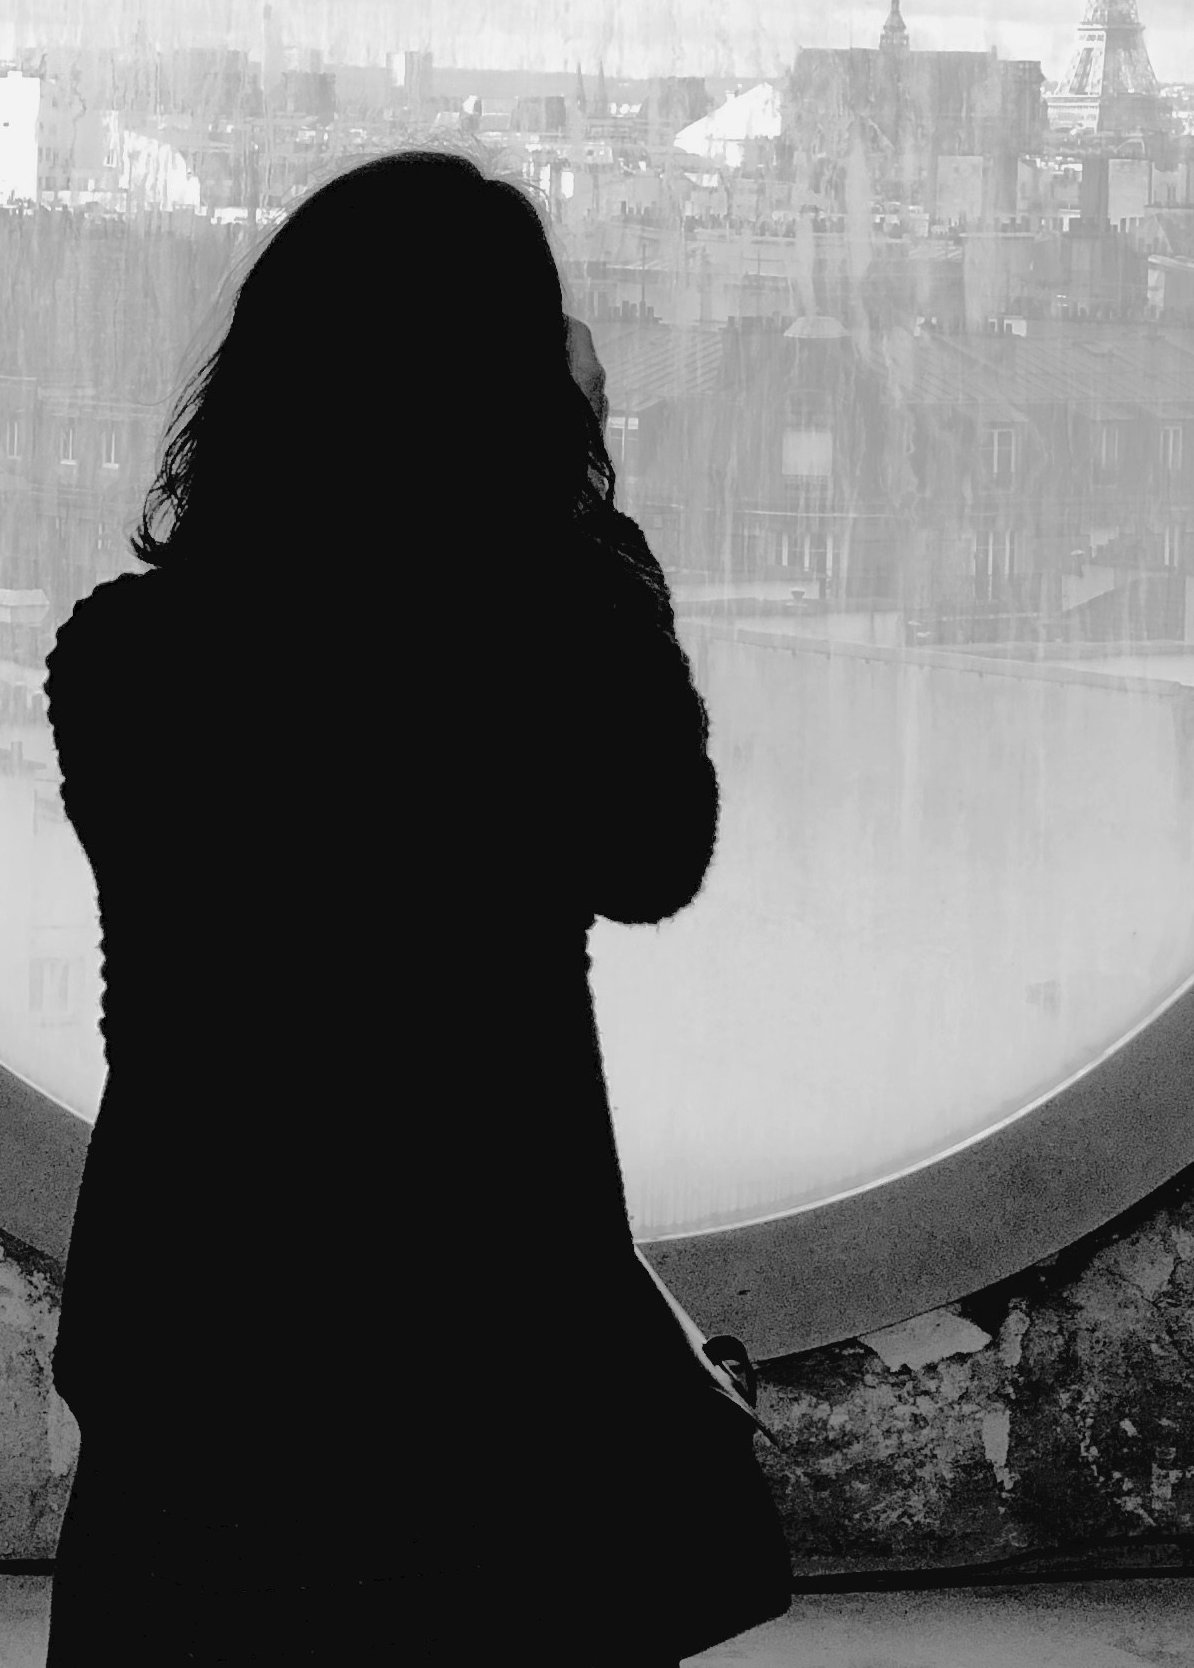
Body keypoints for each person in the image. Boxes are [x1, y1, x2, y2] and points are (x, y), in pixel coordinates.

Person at [42, 150, 788, 1664]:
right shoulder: (545, 633)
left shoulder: (127, 655)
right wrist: (590, 533)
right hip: (483, 1271)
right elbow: (657, 860)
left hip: (198, 1272)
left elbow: (205, 966)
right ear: (512, 386)